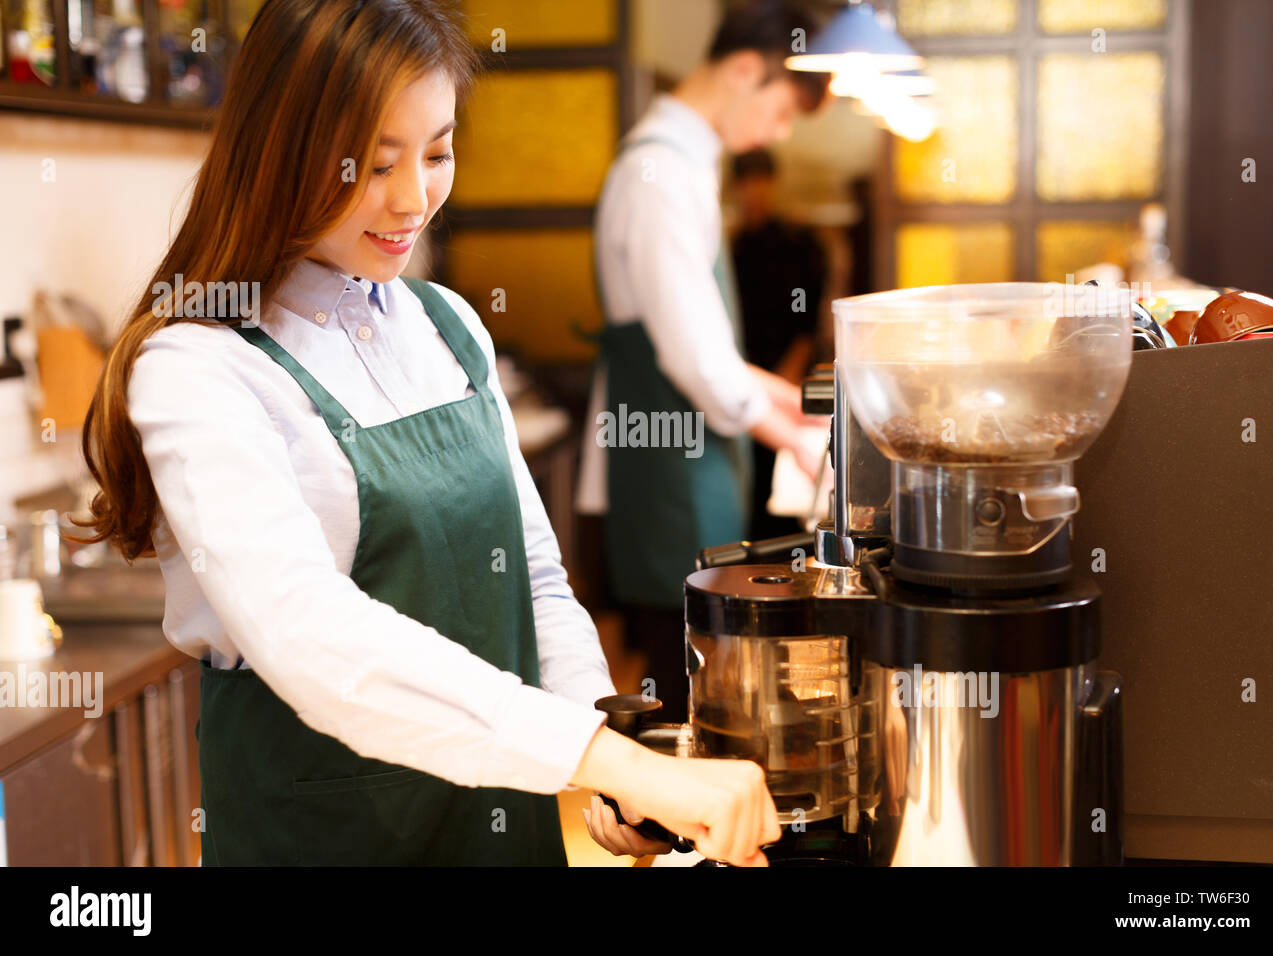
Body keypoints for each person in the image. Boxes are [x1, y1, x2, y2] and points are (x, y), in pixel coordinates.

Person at [75, 0, 778, 867]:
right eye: (374, 166)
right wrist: (602, 760)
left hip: (500, 834)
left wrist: (607, 756)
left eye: (437, 152)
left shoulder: (446, 325)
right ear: (283, 155)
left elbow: (536, 581)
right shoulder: (200, 367)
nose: (414, 199)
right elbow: (313, 638)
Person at [577, 0, 830, 724]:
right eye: (782, 111)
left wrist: (787, 402)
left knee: (700, 678)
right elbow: (695, 361)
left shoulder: (684, 164)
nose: (777, 133)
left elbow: (707, 351)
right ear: (746, 70)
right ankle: (668, 830)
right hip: (665, 476)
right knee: (680, 692)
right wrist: (794, 434)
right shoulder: (658, 173)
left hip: (689, 468)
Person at [729, 148, 827, 540]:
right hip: (740, 374)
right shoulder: (732, 247)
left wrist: (787, 377)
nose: (753, 192)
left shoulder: (798, 244)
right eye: (745, 183)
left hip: (786, 375)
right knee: (750, 482)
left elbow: (806, 322)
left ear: (772, 183)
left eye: (760, 182)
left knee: (787, 480)